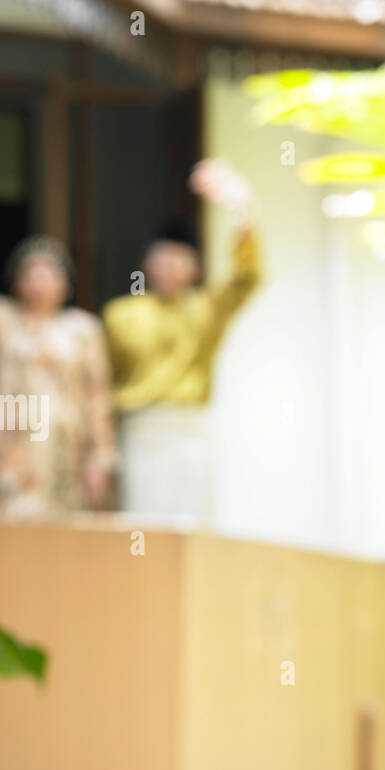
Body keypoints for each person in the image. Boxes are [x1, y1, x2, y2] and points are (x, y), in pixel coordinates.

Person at [102, 158, 261, 523]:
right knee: (140, 527)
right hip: (140, 429)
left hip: (190, 430)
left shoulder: (207, 308)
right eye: (163, 258)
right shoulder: (120, 315)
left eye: (180, 259)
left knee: (192, 528)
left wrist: (243, 209)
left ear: (195, 268)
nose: (170, 266)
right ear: (147, 265)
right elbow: (103, 379)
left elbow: (246, 277)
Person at [0, 225, 117, 519]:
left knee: (62, 544)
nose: (39, 282)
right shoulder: (2, 321)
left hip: (66, 458)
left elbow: (97, 398)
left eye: (49, 273)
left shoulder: (83, 330)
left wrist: (100, 458)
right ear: (18, 282)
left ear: (65, 283)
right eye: (31, 274)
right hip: (12, 459)